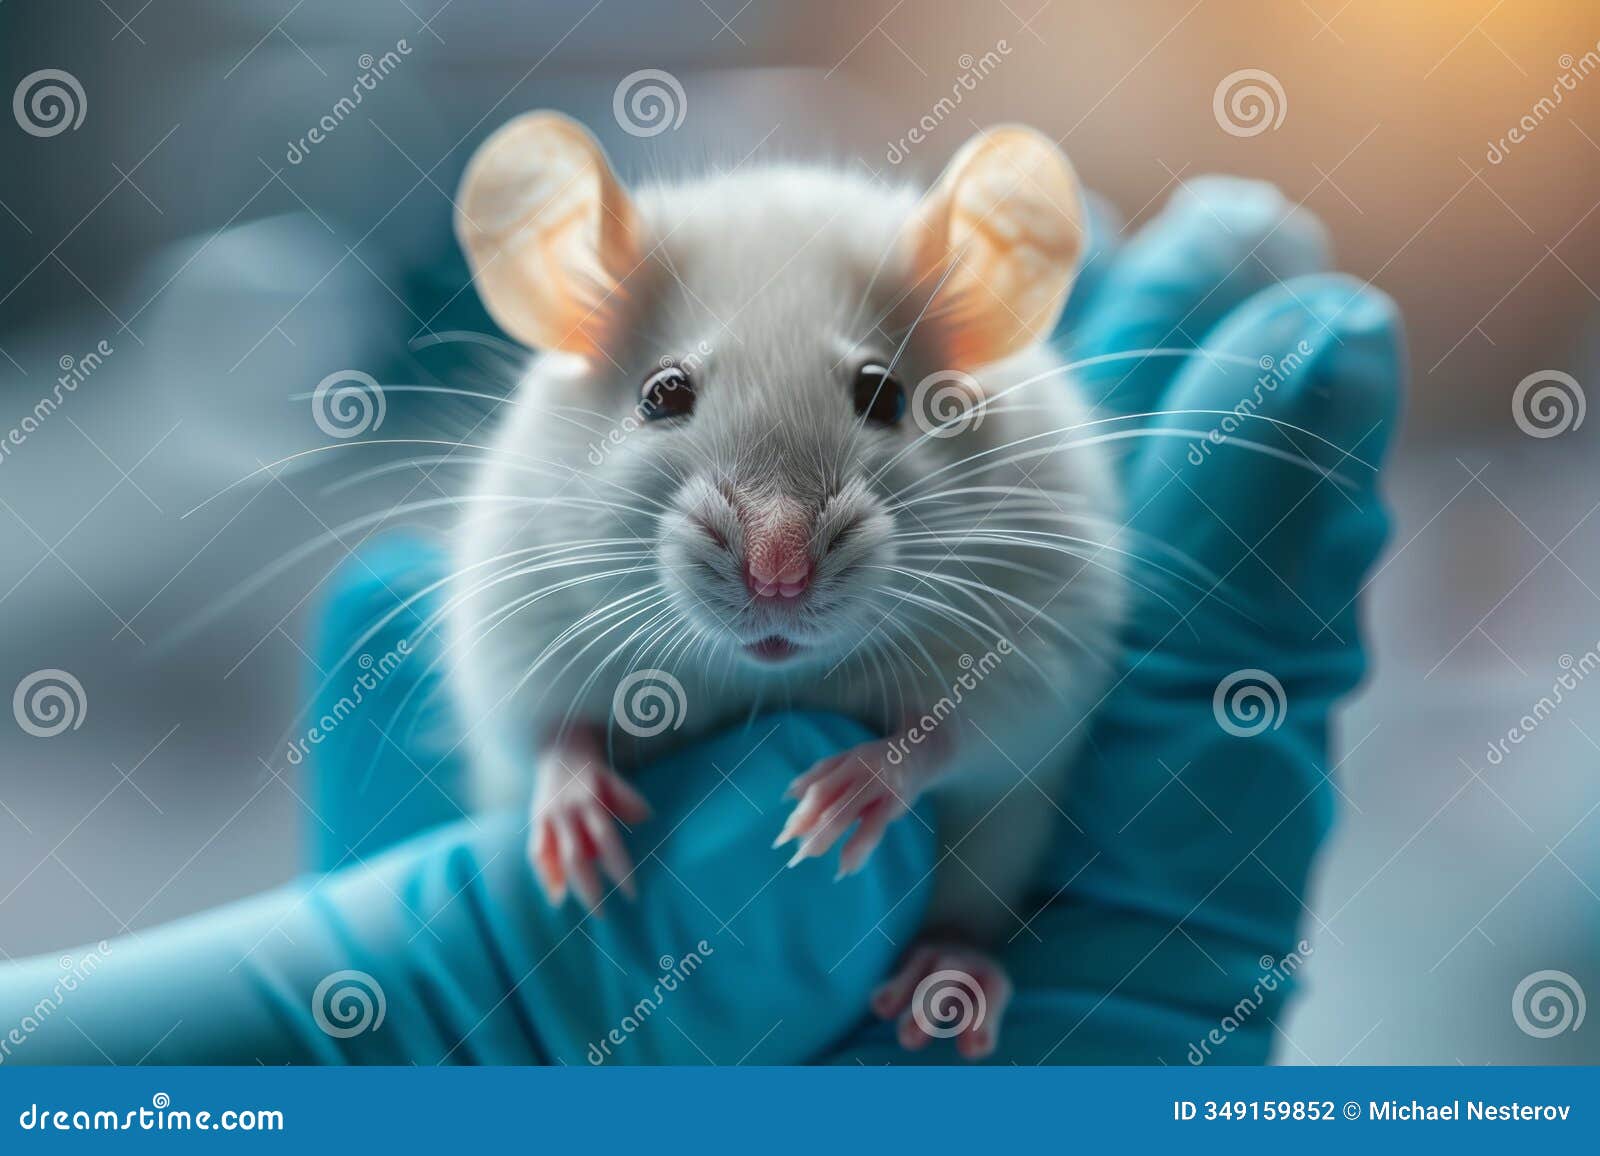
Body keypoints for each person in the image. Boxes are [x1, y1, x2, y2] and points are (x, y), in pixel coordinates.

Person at [0, 177, 1401, 1066]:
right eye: (669, 400)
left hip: (959, 881)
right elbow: (515, 653)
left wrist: (916, 756)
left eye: (877, 398)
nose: (777, 568)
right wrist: (558, 752)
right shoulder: (542, 460)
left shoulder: (1030, 453)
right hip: (597, 936)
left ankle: (963, 939)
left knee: (1018, 847)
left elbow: (1048, 672)